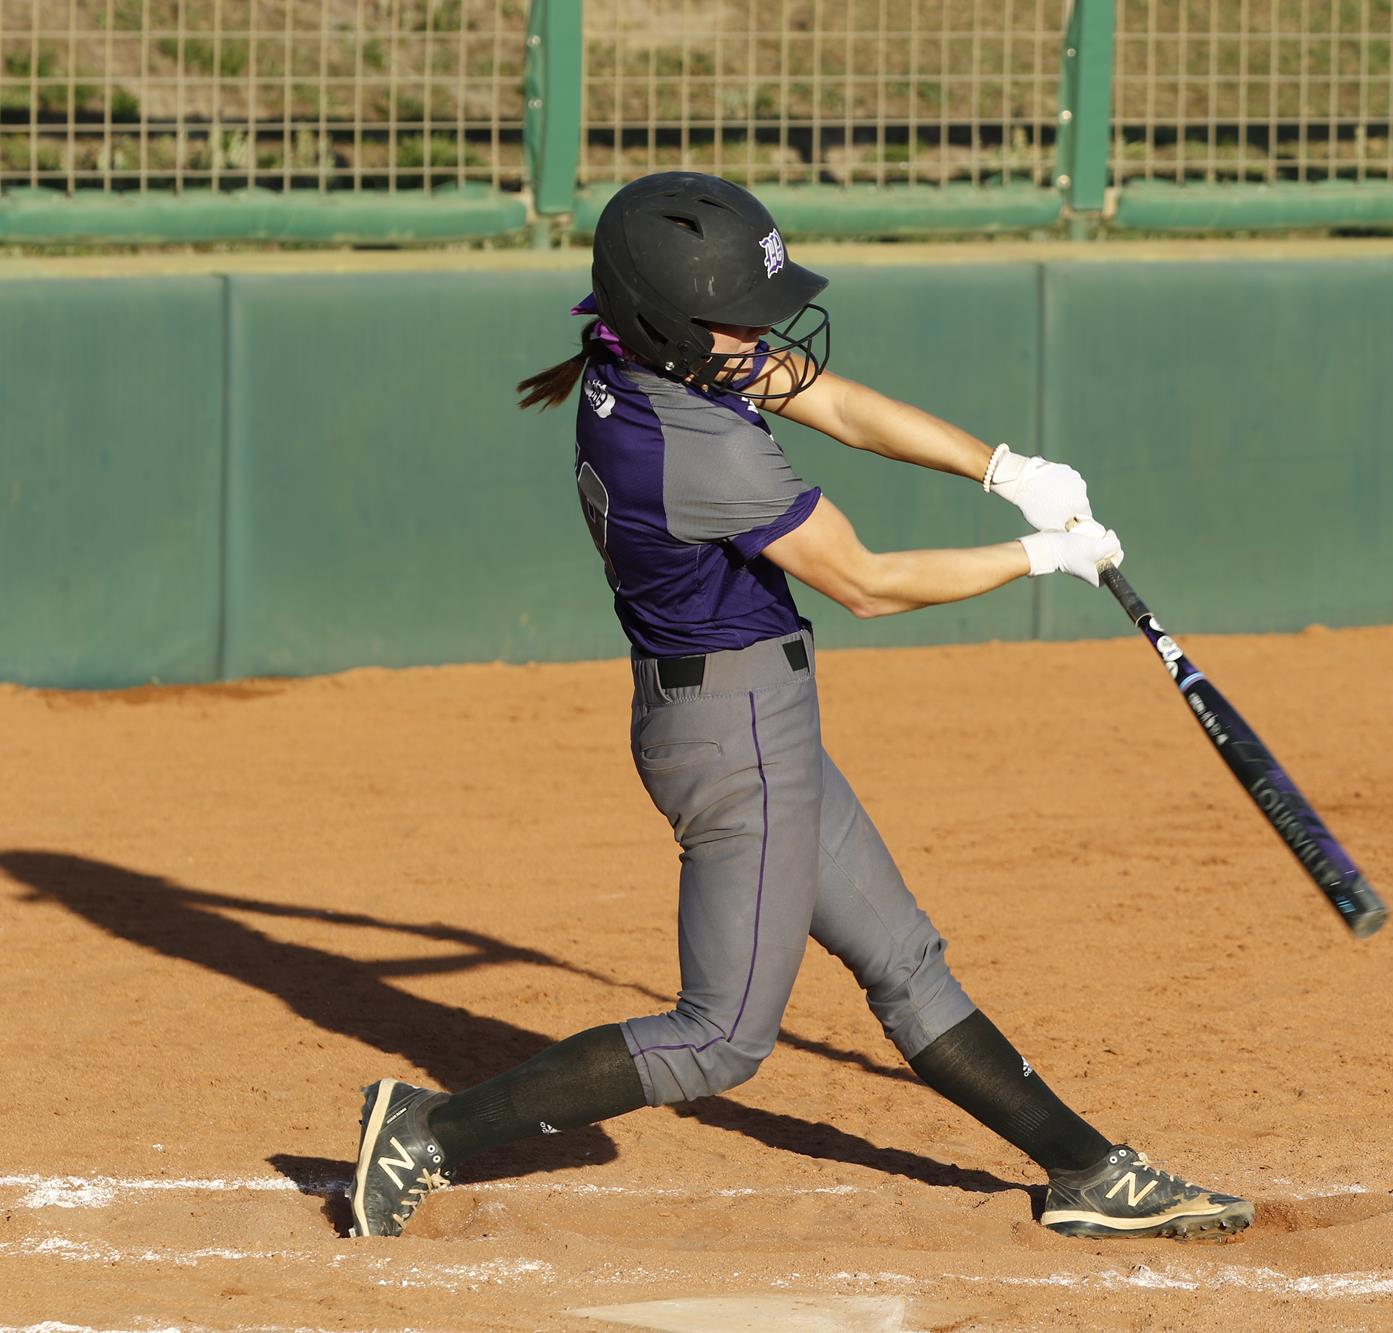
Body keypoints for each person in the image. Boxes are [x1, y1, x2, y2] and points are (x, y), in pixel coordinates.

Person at [345, 172, 1254, 1243]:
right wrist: (1036, 555)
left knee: (904, 962)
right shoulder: (699, 450)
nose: (763, 339)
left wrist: (1001, 467)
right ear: (674, 324)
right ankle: (427, 1129)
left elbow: (827, 398)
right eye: (739, 321)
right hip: (736, 739)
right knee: (720, 1037)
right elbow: (865, 582)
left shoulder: (640, 355)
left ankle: (1087, 1170)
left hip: (746, 719)